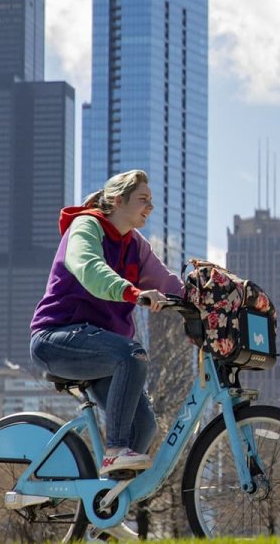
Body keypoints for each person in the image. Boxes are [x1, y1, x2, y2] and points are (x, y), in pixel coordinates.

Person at [30, 169, 185, 476]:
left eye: (151, 201)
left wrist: (203, 304)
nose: (150, 207)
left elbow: (167, 282)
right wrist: (132, 291)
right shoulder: (86, 227)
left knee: (144, 426)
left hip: (101, 348)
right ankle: (114, 451)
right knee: (133, 354)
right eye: (143, 199)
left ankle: (108, 504)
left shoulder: (135, 244)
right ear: (117, 200)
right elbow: (89, 268)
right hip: (56, 338)